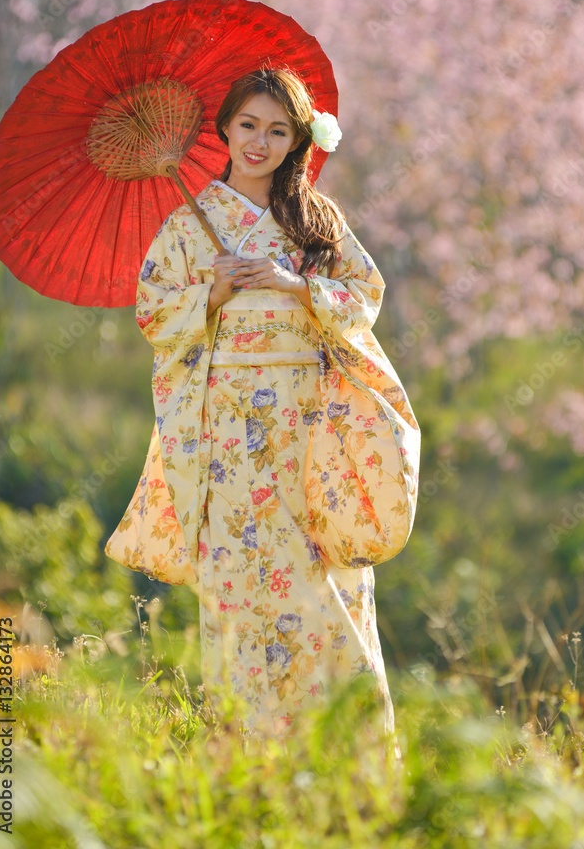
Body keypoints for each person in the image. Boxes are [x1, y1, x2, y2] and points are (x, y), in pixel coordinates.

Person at [112, 65, 421, 741]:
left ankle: (349, 758)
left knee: (327, 588)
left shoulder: (312, 217)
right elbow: (152, 315)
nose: (259, 141)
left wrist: (294, 285)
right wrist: (210, 297)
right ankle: (252, 769)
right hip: (227, 437)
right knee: (241, 591)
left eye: (277, 130)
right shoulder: (187, 228)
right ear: (223, 128)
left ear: (296, 141)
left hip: (310, 431)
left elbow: (363, 295)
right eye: (248, 125)